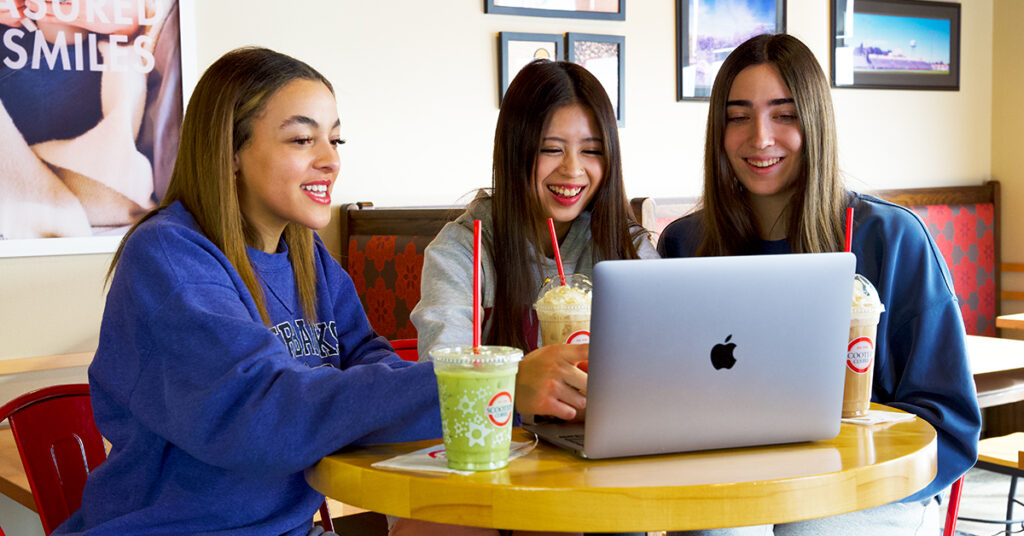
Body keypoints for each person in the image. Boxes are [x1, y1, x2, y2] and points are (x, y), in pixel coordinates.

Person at [52, 47, 441, 536]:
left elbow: (366, 357)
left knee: (465, 527)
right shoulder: (169, 257)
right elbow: (268, 413)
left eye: (336, 139)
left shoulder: (307, 255)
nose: (331, 161)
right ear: (230, 152)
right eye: (302, 139)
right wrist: (475, 389)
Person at [658, 34, 981, 535]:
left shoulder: (891, 237)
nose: (760, 137)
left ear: (815, 122)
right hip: (732, 479)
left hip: (871, 487)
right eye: (738, 116)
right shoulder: (685, 243)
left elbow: (951, 420)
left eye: (784, 115)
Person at [390, 59, 658, 536]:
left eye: (591, 151)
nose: (572, 170)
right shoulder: (463, 251)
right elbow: (443, 385)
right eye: (551, 149)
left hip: (604, 470)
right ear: (515, 151)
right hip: (486, 473)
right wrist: (515, 384)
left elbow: (670, 358)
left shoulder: (628, 248)